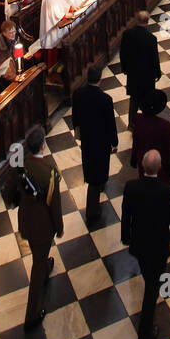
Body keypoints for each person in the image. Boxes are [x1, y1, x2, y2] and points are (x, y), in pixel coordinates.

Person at [120, 148, 170, 339]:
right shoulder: (165, 191)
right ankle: (144, 333)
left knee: (149, 274)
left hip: (139, 244)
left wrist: (125, 237)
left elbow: (126, 216)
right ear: (160, 167)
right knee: (152, 284)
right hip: (158, 244)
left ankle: (159, 287)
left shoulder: (131, 188)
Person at [15, 124, 64, 331]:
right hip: (42, 226)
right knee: (37, 262)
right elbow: (55, 205)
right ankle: (32, 314)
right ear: (43, 146)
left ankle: (44, 268)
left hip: (26, 220)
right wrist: (59, 227)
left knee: (40, 256)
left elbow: (11, 193)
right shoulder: (49, 172)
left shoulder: (21, 165)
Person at [71, 64, 118, 227]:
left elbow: (75, 116)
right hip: (101, 140)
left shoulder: (78, 94)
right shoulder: (105, 99)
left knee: (91, 164)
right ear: (100, 80)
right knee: (96, 173)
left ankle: (100, 184)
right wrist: (115, 142)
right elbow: (111, 123)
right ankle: (92, 211)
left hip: (87, 138)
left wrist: (77, 128)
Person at [119, 11, 161, 131]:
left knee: (134, 100)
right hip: (147, 76)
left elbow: (123, 53)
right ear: (147, 22)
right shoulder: (151, 38)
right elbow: (154, 58)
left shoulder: (127, 34)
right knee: (147, 99)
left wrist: (124, 68)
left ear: (136, 20)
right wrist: (157, 73)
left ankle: (131, 124)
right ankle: (147, 123)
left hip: (133, 74)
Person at [130, 90, 170, 187]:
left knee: (145, 185)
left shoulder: (138, 119)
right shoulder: (164, 125)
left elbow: (135, 142)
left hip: (143, 160)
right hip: (160, 163)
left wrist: (134, 157)